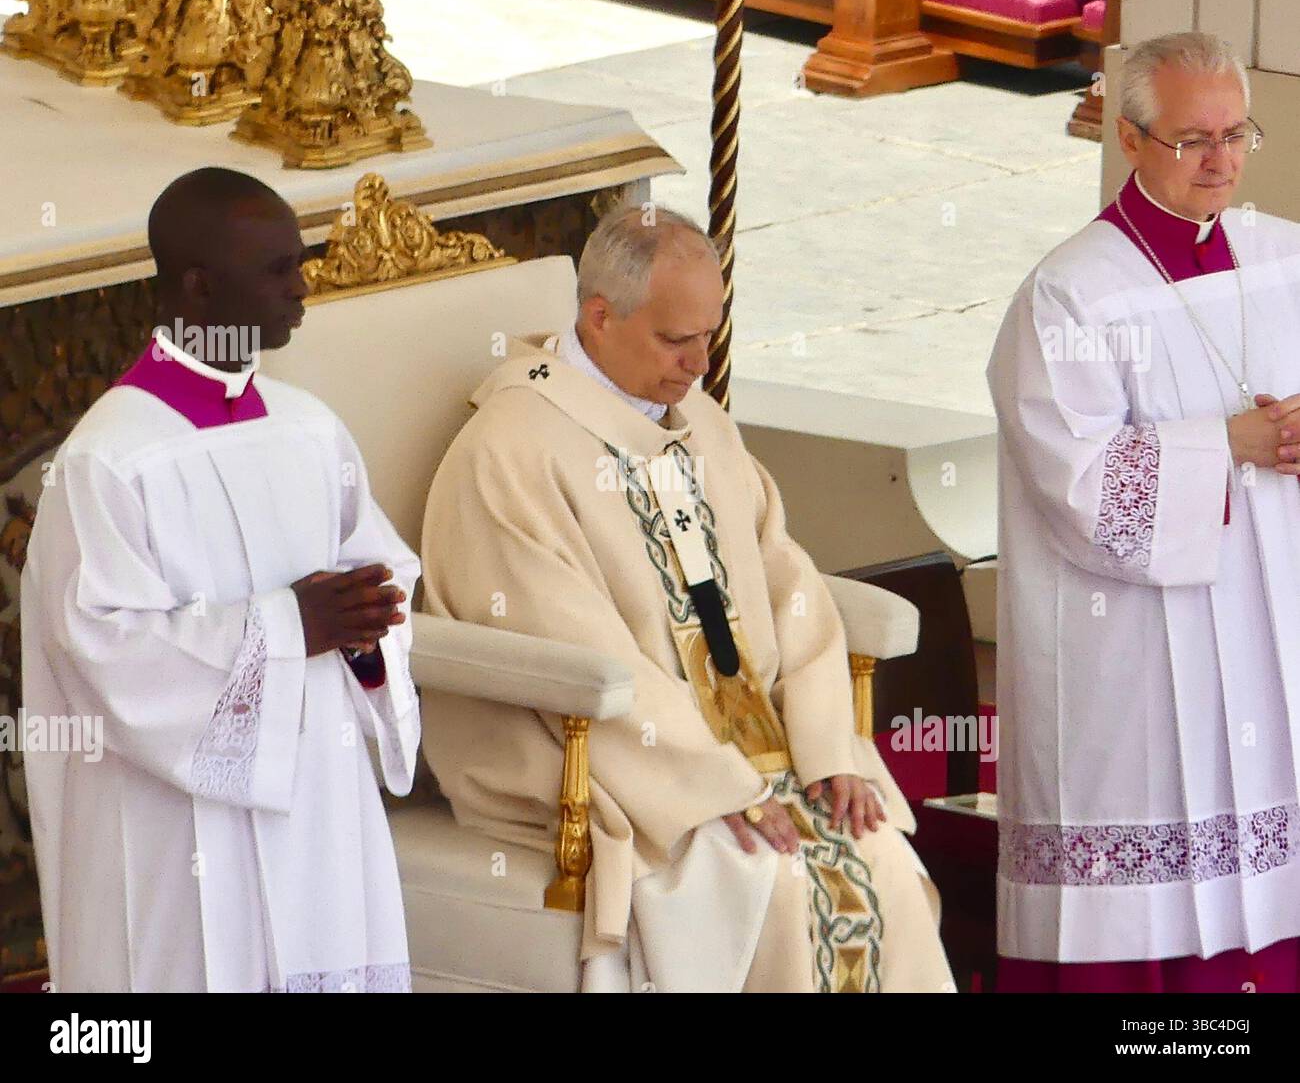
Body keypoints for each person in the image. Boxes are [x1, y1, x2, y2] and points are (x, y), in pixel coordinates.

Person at [422, 204, 952, 992]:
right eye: (677, 340)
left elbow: (787, 582)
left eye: (710, 333)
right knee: (777, 885)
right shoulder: (511, 451)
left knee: (881, 860)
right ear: (598, 317)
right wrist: (713, 787)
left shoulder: (699, 424)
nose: (700, 363)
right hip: (619, 771)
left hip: (754, 753)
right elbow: (583, 661)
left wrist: (826, 751)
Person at [21, 167, 421, 992]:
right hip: (173, 827)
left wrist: (370, 621)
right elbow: (100, 650)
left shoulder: (311, 428)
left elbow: (382, 571)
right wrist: (286, 629)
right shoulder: (109, 458)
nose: (303, 286)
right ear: (199, 287)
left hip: (316, 798)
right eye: (278, 269)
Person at [988, 32, 1300, 992]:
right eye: (1189, 140)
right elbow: (1074, 484)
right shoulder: (1071, 293)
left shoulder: (1286, 257)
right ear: (1129, 139)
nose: (1219, 161)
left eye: (1234, 135)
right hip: (1131, 649)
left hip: (1272, 614)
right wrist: (1227, 445)